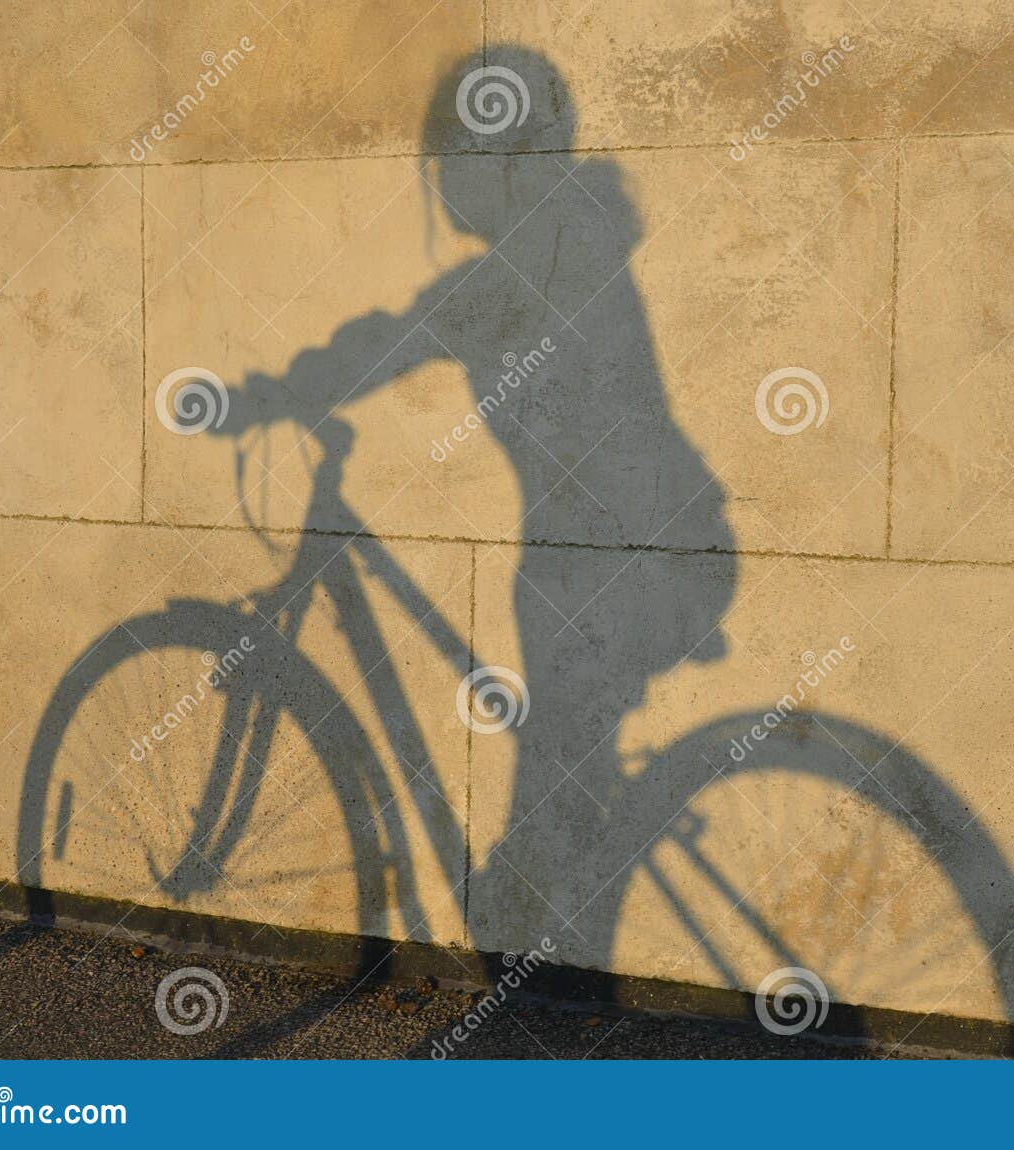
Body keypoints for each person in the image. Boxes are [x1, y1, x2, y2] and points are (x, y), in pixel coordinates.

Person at [218, 46, 736, 961]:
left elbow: (393, 339)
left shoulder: (534, 263)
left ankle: (540, 994)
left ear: (502, 162)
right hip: (623, 547)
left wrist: (263, 399)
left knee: (543, 827)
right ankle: (543, 951)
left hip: (614, 559)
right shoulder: (566, 245)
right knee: (556, 789)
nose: (443, 187)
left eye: (451, 164)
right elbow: (405, 334)